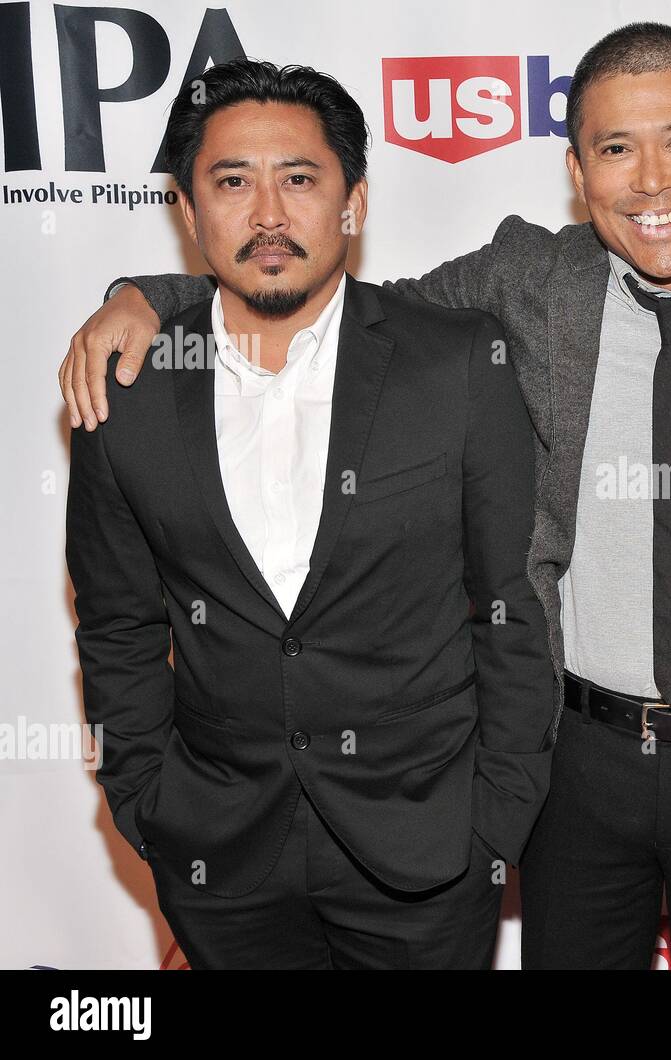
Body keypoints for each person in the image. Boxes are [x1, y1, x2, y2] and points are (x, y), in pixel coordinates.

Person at [58, 23, 671, 969]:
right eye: (616, 148)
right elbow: (324, 294)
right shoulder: (531, 279)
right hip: (579, 759)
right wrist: (147, 295)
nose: (652, 180)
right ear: (576, 168)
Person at [64, 59, 552, 969]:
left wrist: (496, 822)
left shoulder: (455, 365)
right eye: (232, 181)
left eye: (299, 178)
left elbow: (509, 605)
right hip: (222, 854)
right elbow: (119, 625)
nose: (269, 214)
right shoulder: (124, 387)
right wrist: (147, 801)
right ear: (187, 210)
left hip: (428, 857)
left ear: (353, 203)